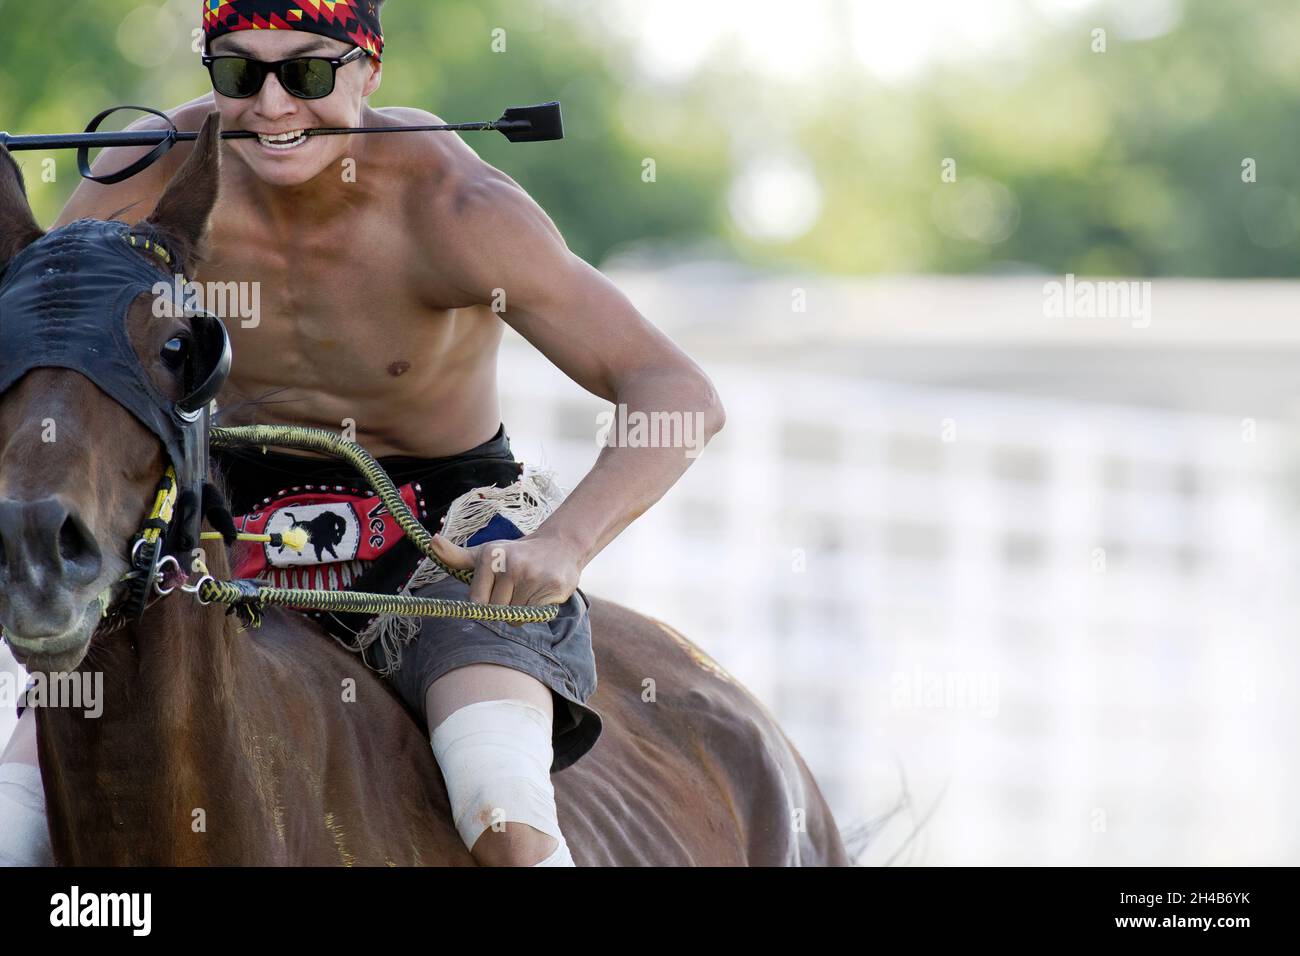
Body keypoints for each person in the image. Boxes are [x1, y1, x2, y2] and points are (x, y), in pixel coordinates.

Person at [0, 0, 724, 867]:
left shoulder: (459, 208)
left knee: (501, 795)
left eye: (306, 73)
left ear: (368, 69)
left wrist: (566, 542)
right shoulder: (150, 175)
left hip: (438, 537)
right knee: (15, 819)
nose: (272, 106)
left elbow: (676, 389)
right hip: (223, 534)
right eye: (239, 73)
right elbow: (48, 334)